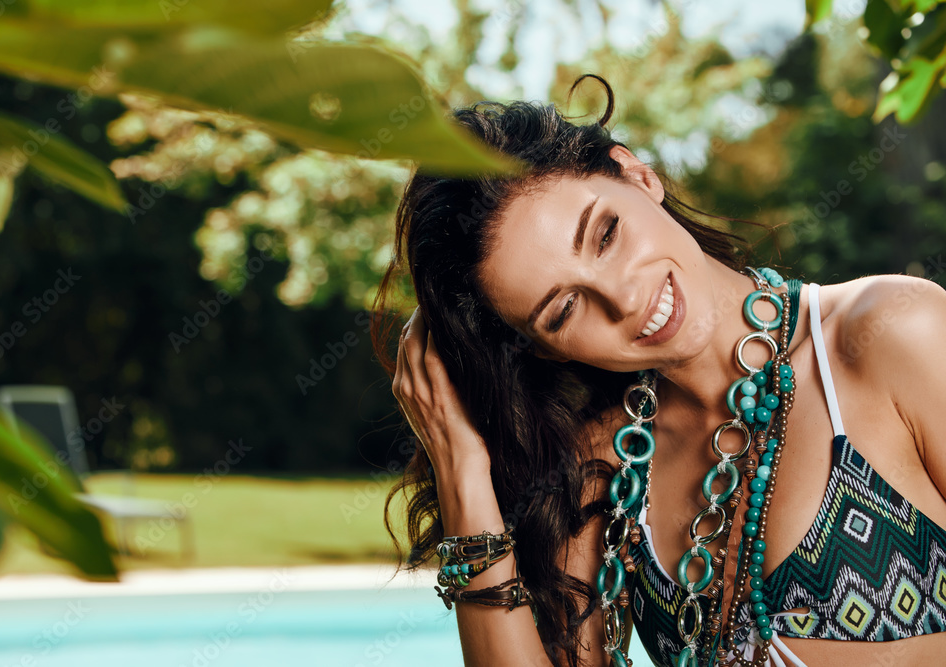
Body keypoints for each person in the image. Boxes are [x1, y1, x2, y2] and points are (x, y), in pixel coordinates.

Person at [370, 74, 946, 667]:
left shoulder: (890, 334)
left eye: (607, 234)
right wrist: (459, 465)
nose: (623, 298)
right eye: (565, 309)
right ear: (546, 350)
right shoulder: (608, 466)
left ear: (638, 176)